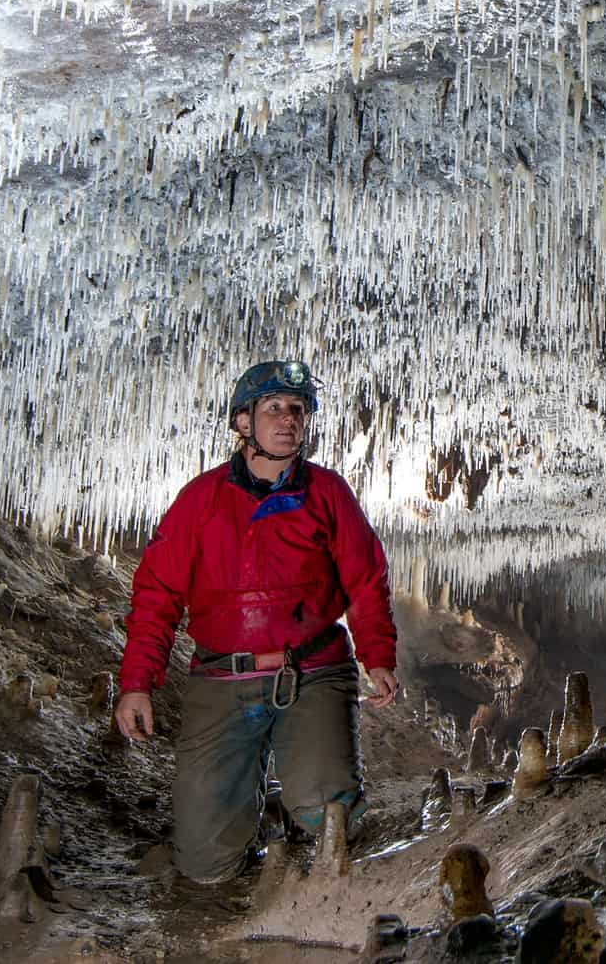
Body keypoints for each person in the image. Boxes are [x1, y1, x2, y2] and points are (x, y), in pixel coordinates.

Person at [114, 359, 400, 887]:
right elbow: (156, 595)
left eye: (297, 409)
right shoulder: (200, 501)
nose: (288, 419)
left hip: (312, 672)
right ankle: (259, 807)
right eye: (273, 408)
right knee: (204, 865)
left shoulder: (327, 493)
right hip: (225, 678)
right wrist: (137, 684)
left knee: (327, 821)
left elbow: (366, 578)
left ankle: (297, 799)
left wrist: (377, 655)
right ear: (243, 422)